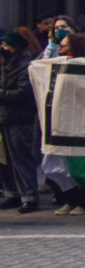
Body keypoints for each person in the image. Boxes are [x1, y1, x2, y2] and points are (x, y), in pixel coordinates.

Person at [46, 34, 85, 215]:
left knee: (80, 163)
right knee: (61, 164)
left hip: (82, 120)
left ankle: (84, 202)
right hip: (63, 118)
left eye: (64, 46)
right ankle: (70, 198)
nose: (60, 49)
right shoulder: (59, 63)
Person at [0, 30, 43, 213]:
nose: (4, 49)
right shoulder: (7, 64)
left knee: (21, 157)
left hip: (20, 118)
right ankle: (12, 193)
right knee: (6, 159)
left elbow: (23, 92)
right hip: (6, 117)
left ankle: (29, 196)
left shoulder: (26, 65)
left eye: (7, 45)